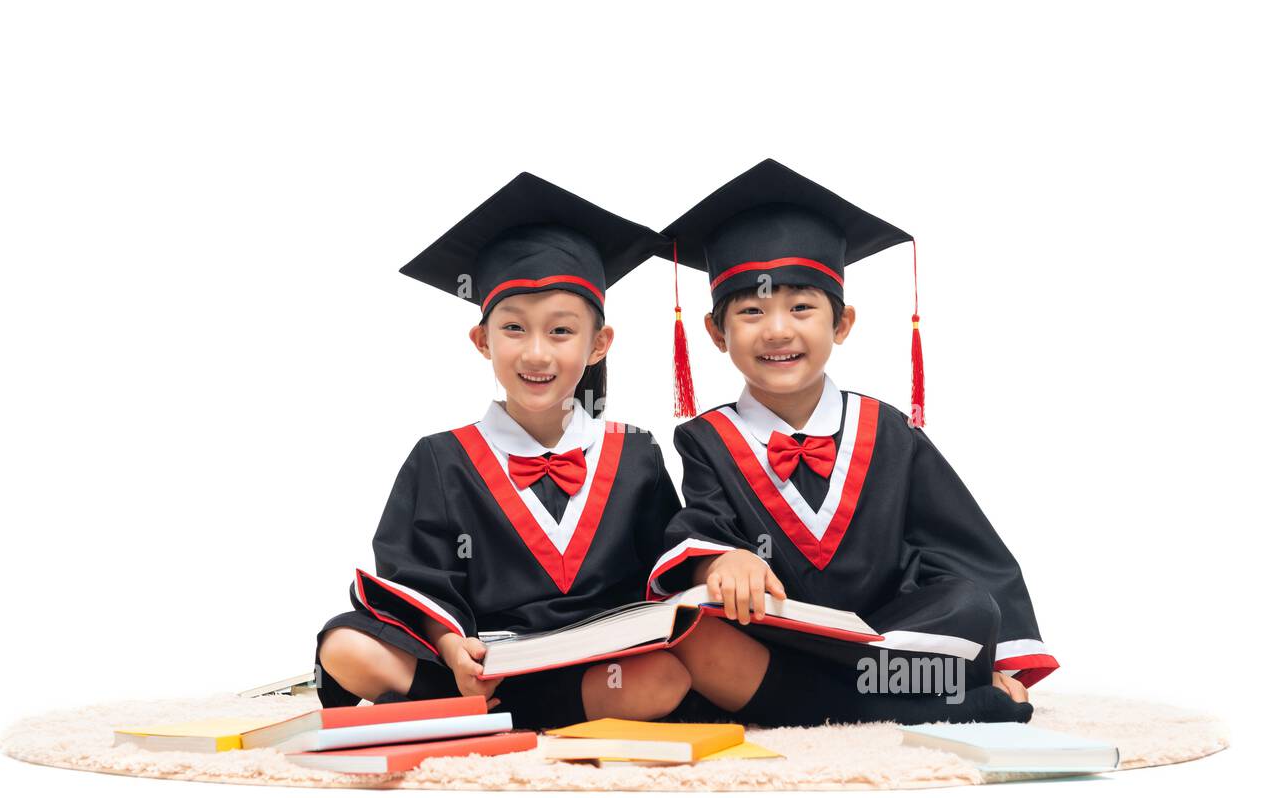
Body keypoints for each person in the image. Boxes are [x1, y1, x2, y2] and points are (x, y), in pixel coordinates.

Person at [648, 159, 1058, 727]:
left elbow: (959, 543)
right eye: (750, 311)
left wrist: (1001, 648)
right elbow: (703, 523)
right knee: (702, 624)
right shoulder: (706, 440)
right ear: (716, 333)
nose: (777, 330)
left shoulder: (891, 431)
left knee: (967, 605)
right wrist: (722, 560)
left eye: (802, 308)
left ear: (842, 324)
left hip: (886, 639)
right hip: (780, 636)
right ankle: (950, 704)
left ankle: (812, 703)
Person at [313, 172, 694, 731]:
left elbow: (663, 572)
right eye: (514, 328)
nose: (536, 353)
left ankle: (474, 718)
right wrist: (448, 646)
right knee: (344, 645)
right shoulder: (441, 458)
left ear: (598, 344)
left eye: (561, 331)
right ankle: (481, 703)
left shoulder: (635, 454)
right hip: (477, 662)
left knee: (665, 678)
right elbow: (415, 573)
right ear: (483, 340)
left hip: (593, 666)